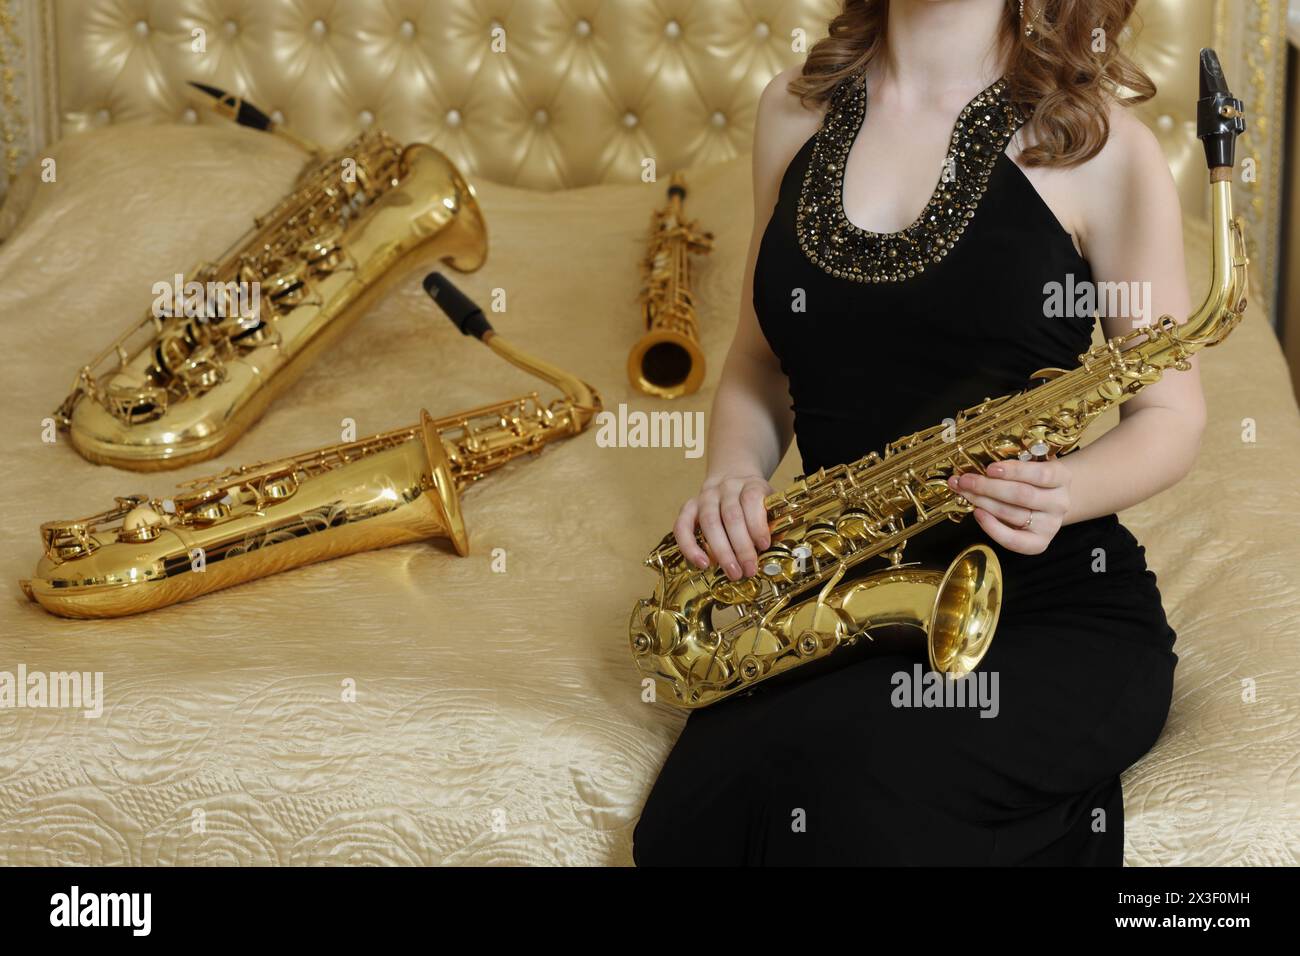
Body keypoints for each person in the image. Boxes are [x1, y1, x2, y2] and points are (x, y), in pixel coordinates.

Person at [633, 0, 1200, 865]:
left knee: (861, 796)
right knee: (690, 822)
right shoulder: (790, 109)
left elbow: (1170, 414)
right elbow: (757, 362)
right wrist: (732, 474)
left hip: (1046, 608)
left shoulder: (1102, 147)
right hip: (833, 597)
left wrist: (1067, 491)